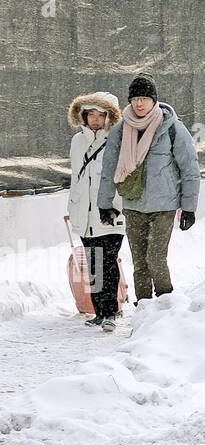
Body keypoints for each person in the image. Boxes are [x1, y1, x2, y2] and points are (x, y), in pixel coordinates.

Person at [97, 74, 200, 303]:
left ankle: (166, 303)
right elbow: (108, 170)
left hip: (164, 205)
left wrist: (189, 208)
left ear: (154, 100)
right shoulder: (121, 131)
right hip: (133, 204)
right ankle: (143, 308)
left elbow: (190, 168)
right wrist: (104, 204)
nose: (139, 103)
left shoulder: (171, 128)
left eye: (144, 98)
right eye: (134, 99)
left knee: (155, 258)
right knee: (140, 263)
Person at [67, 91, 127, 330]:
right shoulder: (77, 141)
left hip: (110, 211)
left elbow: (123, 177)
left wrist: (116, 206)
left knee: (108, 261)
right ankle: (100, 311)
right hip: (85, 213)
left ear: (109, 116)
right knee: (93, 262)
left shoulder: (118, 140)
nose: (94, 119)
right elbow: (76, 178)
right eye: (90, 113)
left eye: (99, 114)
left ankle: (111, 311)